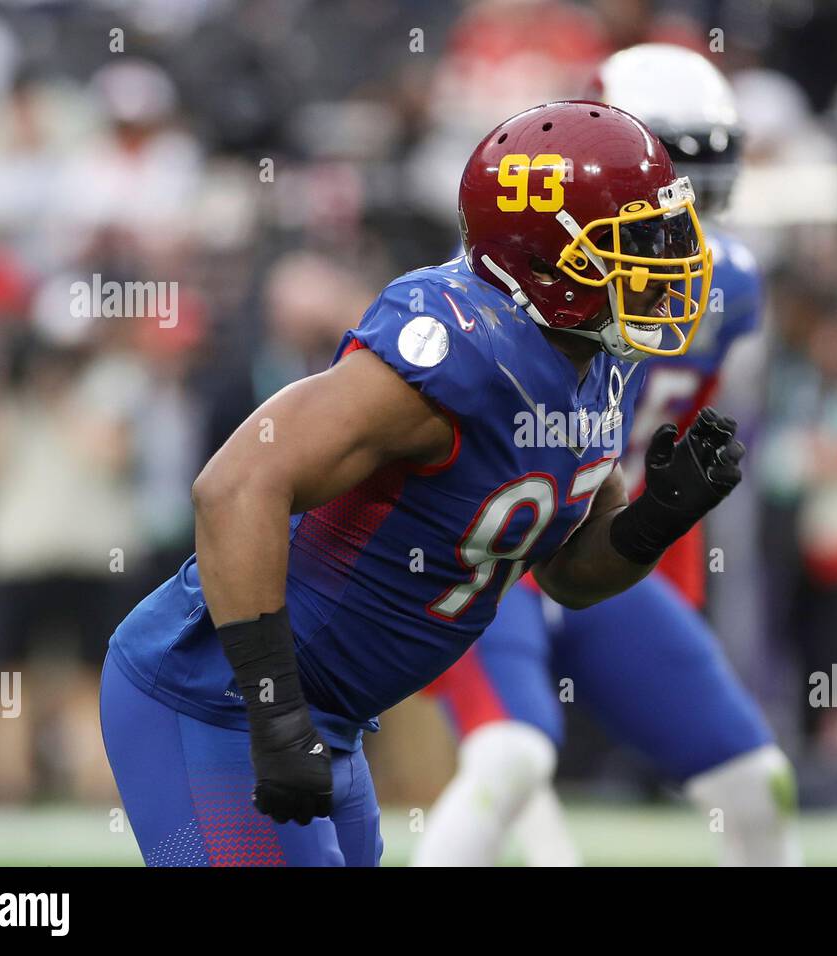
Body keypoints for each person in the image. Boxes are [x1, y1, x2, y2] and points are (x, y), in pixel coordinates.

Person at [99, 100, 744, 866]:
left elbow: (567, 576)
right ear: (540, 254)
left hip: (329, 716)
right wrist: (275, 713)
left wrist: (652, 523)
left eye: (665, 233)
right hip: (216, 697)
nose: (664, 259)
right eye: (634, 240)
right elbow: (236, 486)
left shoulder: (595, 361)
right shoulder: (457, 348)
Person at [416, 44, 798, 868]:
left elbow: (663, 452)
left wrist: (660, 568)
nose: (681, 202)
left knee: (756, 780)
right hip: (492, 541)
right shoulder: (505, 284)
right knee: (512, 761)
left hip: (590, 524)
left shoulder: (726, 285)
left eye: (703, 170)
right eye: (669, 165)